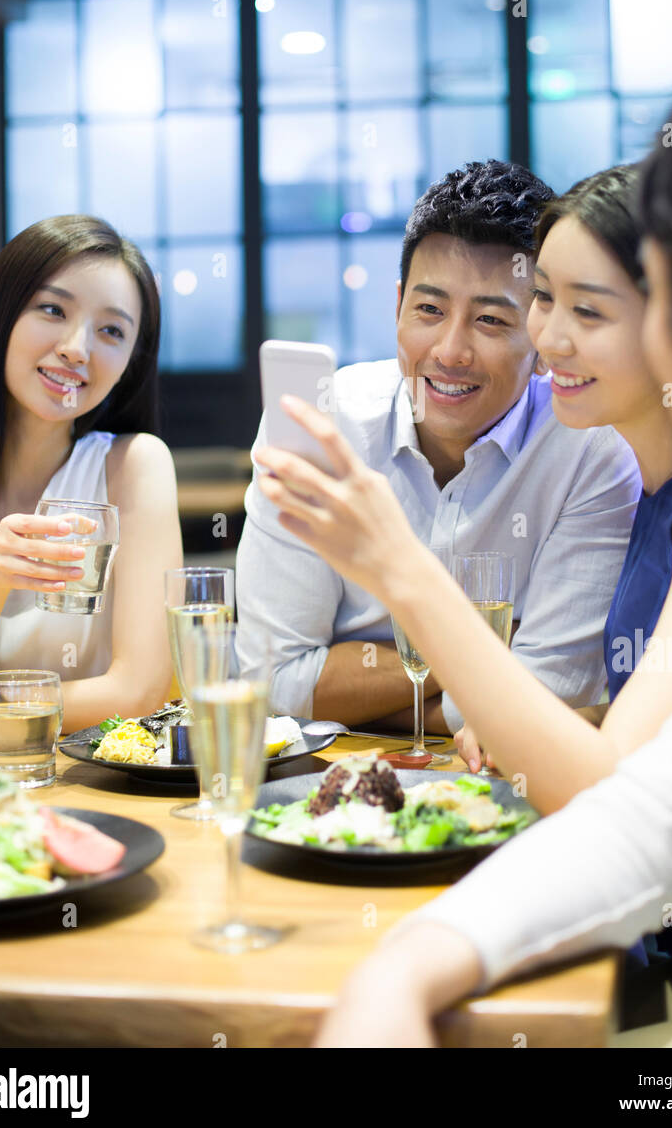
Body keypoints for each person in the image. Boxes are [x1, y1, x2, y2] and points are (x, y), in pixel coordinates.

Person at [254, 25, 672, 1047]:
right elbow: (656, 816)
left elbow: (611, 787)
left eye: (582, 307)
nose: (543, 342)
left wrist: (401, 572)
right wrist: (402, 969)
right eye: (540, 299)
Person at [237, 159, 641, 729]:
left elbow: (543, 704)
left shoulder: (591, 450)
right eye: (429, 310)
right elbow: (274, 687)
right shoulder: (323, 423)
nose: (451, 351)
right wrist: (488, 642)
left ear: (541, 330)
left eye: (492, 321)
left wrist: (363, 691)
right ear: (398, 304)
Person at [0, 215, 182, 734]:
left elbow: (138, 692)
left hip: (97, 787)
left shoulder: (135, 465)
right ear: (0, 315)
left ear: (130, 362)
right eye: (53, 309)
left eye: (111, 330)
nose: (77, 347)